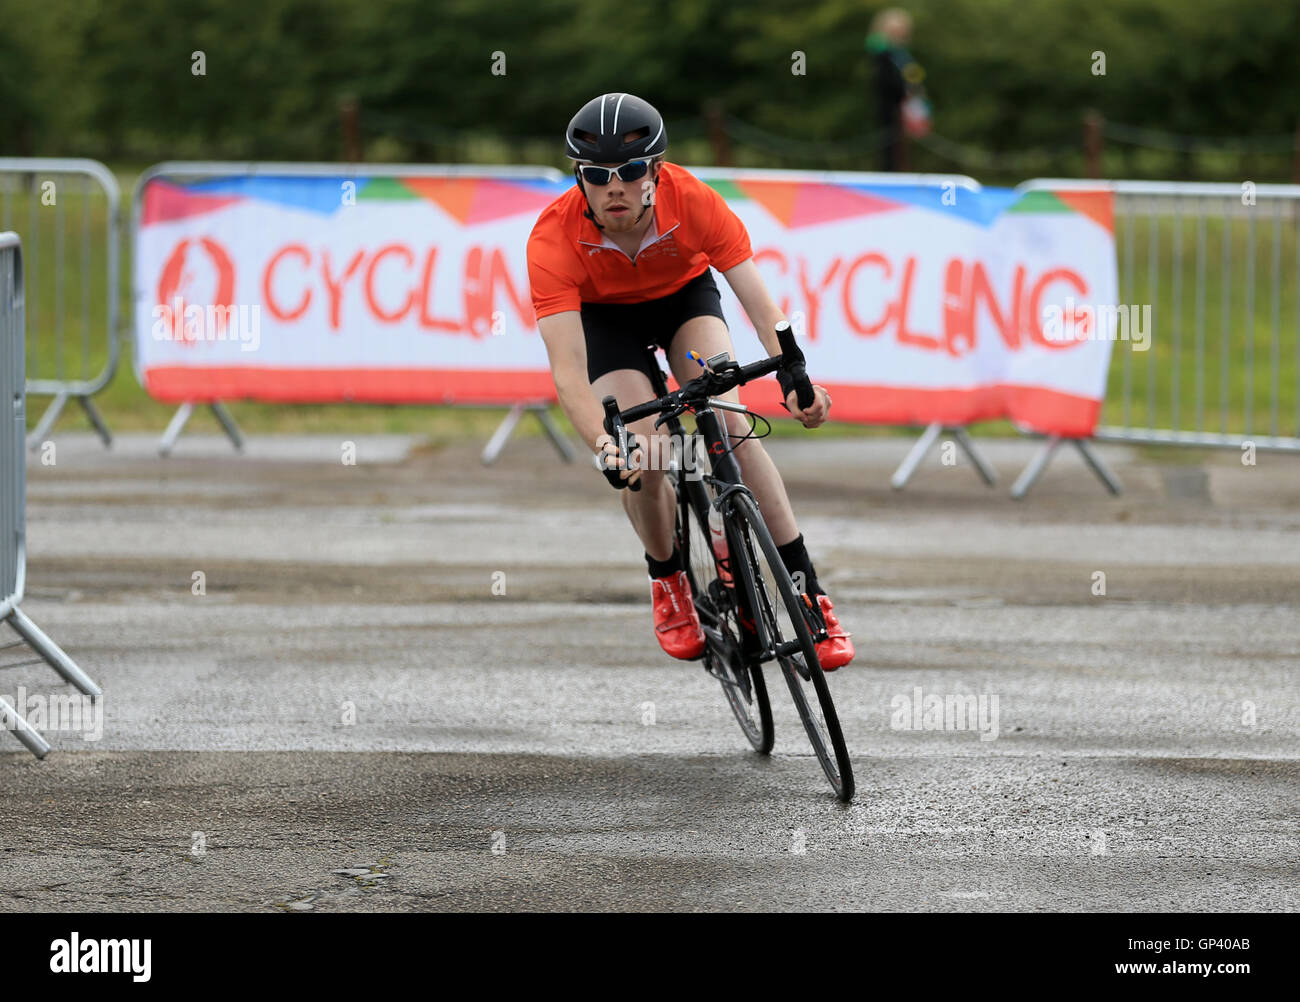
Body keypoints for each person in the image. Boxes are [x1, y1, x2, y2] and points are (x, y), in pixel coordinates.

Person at [525, 93, 854, 670]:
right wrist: (605, 444)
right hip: (608, 323)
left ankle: (807, 593)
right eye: (598, 177)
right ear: (581, 179)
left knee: (731, 425)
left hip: (682, 300)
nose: (615, 188)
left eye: (629, 172)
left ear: (655, 170)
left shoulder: (694, 200)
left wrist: (795, 372)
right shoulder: (552, 239)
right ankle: (668, 574)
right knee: (647, 455)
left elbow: (759, 304)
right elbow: (568, 373)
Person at [867, 8, 930, 172]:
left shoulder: (901, 53)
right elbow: (886, 80)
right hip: (891, 106)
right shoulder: (882, 51)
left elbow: (912, 75)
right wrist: (904, 92)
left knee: (903, 148)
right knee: (890, 146)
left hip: (906, 106)